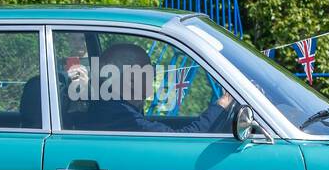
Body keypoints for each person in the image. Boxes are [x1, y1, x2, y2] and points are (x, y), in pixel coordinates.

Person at [78, 43, 233, 133]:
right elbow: (182, 140)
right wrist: (223, 103)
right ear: (132, 80)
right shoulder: (120, 114)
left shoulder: (112, 107)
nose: (153, 75)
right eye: (148, 70)